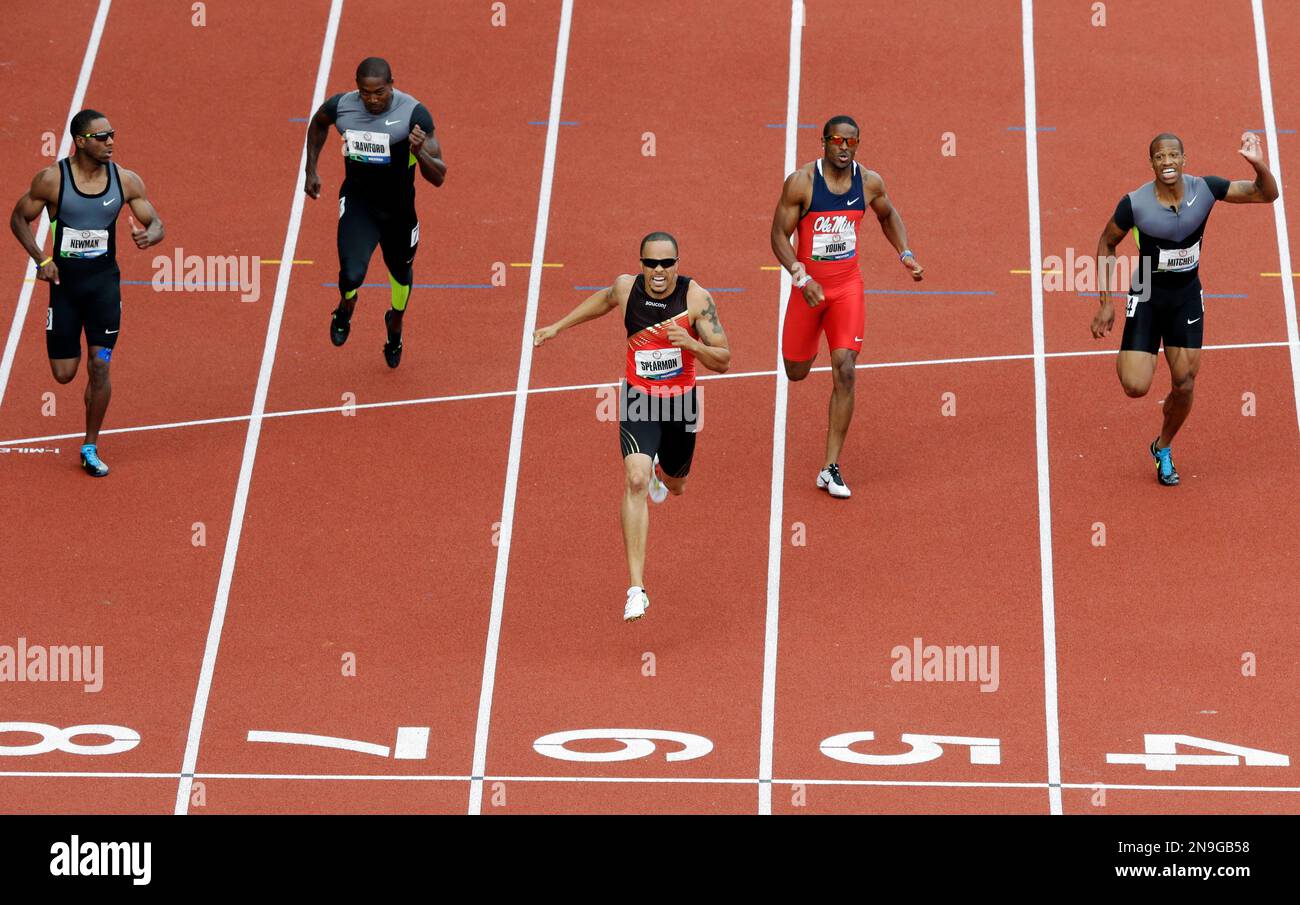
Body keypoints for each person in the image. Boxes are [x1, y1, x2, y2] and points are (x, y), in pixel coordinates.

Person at [533, 233, 730, 621]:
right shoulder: (627, 289)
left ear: (678, 263)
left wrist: (692, 347)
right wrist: (558, 327)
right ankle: (636, 588)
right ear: (641, 263)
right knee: (634, 480)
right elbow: (603, 300)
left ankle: (663, 475)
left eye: (667, 263)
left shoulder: (696, 300)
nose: (659, 271)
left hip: (682, 404)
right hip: (638, 398)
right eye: (651, 263)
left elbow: (723, 359)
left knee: (677, 485)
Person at [1092, 132, 1277, 485]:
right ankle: (1143, 353)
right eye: (1159, 157)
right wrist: (1105, 303)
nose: (1167, 163)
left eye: (1172, 156)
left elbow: (1266, 194)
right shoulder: (1134, 204)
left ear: (1183, 159)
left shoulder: (1205, 190)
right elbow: (1106, 243)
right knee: (1134, 386)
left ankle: (1162, 447)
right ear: (1151, 164)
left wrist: (1257, 165)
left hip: (1186, 297)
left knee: (1185, 383)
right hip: (1146, 292)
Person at [770, 115, 923, 499]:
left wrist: (904, 252)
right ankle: (810, 345)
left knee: (846, 369)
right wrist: (800, 277)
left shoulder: (868, 182)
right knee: (796, 371)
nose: (844, 147)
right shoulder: (802, 183)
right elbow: (777, 235)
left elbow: (889, 215)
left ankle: (830, 467)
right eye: (838, 140)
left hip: (847, 289)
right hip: (809, 291)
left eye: (852, 142)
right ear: (823, 142)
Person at [8, 109, 165, 476]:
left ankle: (90, 444)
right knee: (64, 374)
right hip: (64, 291)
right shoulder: (52, 180)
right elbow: (18, 218)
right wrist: (41, 258)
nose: (111, 141)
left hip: (104, 289)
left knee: (100, 364)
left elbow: (156, 222)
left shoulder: (124, 180)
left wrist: (151, 235)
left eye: (112, 134)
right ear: (81, 141)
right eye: (102, 136)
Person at [304, 56, 446, 368]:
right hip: (359, 205)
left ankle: (395, 325)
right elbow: (318, 123)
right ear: (357, 89)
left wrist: (419, 151)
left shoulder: (414, 114)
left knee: (400, 278)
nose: (372, 99)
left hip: (398, 213)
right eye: (365, 93)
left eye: (379, 92)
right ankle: (346, 304)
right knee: (352, 274)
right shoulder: (341, 106)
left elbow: (439, 176)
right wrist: (310, 169)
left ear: (392, 86)